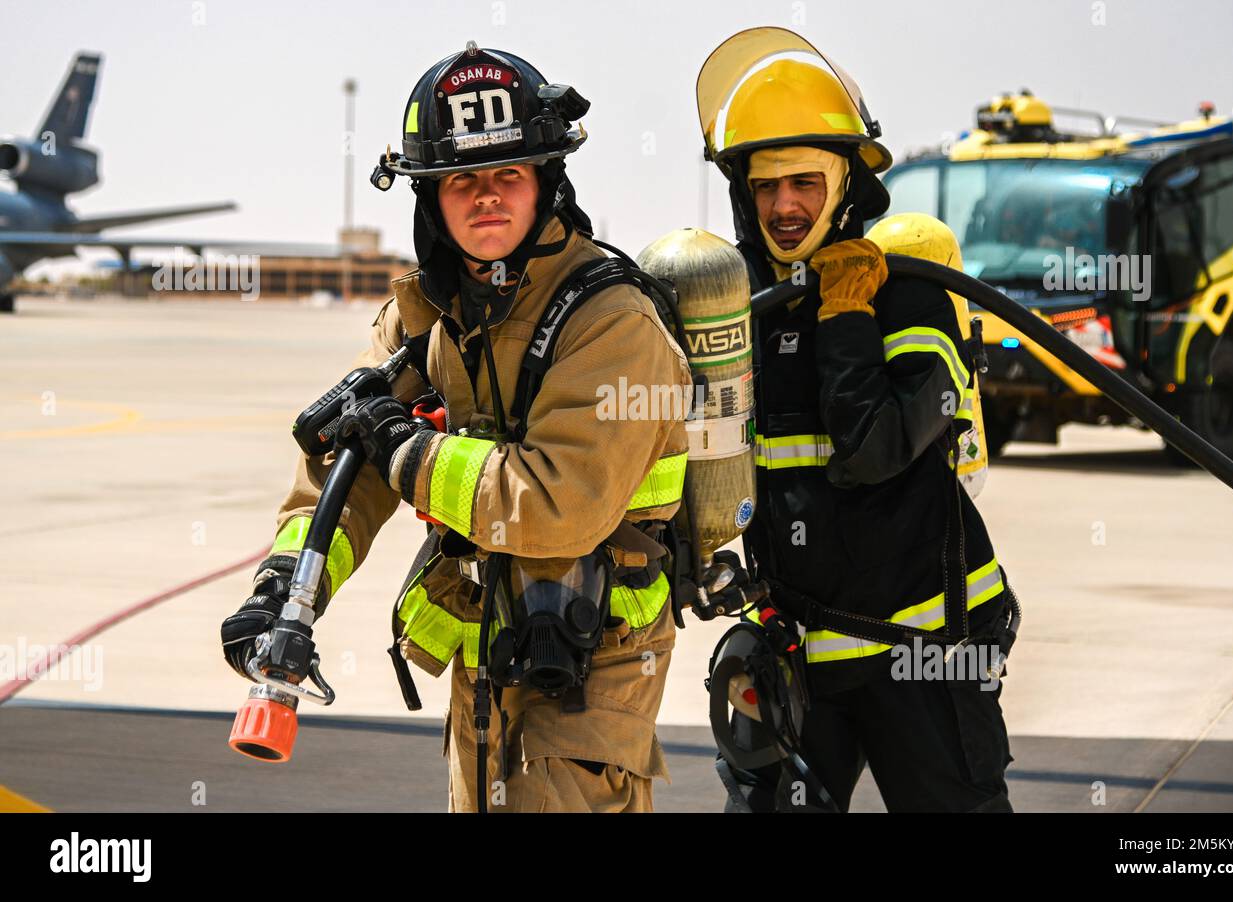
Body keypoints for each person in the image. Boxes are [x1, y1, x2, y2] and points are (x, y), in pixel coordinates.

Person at [221, 42, 692, 812]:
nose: (487, 198)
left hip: (593, 661)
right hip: (484, 650)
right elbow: (347, 472)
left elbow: (556, 504)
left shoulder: (615, 322)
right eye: (461, 180)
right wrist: (285, 587)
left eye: (509, 174)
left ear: (547, 181)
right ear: (428, 198)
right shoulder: (425, 318)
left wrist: (405, 448)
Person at [697, 27, 1020, 813]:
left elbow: (873, 449)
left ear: (845, 183)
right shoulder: (740, 316)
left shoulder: (910, 300)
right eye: (767, 185)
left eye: (805, 181)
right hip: (799, 660)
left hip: (924, 655)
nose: (784, 205)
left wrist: (846, 318)